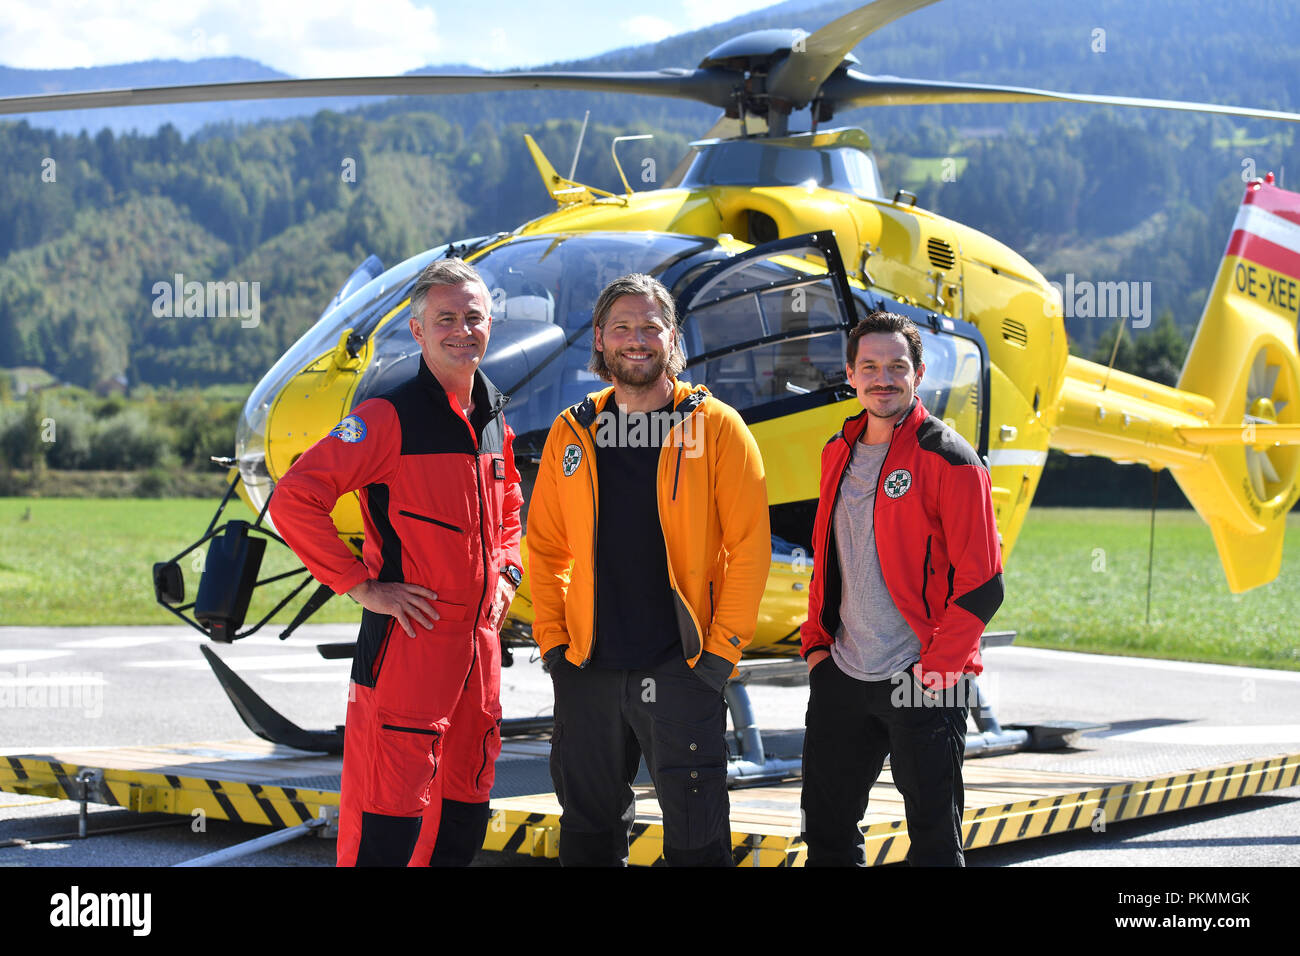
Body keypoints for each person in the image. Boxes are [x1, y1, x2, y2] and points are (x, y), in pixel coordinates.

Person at [269, 258, 523, 867]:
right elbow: (295, 498)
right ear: (418, 331)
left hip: (480, 652)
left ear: (490, 324)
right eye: (446, 319)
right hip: (408, 648)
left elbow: (511, 505)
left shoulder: (493, 415)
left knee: (465, 807)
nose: (462, 330)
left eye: (474, 317)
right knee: (388, 813)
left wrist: (508, 576)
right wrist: (360, 584)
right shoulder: (388, 416)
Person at [526, 273, 770, 866]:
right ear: (601, 339)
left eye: (650, 327)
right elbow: (546, 548)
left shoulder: (715, 428)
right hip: (588, 671)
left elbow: (749, 549)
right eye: (623, 328)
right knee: (587, 837)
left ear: (671, 337)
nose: (637, 340)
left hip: (682, 667)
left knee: (696, 840)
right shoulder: (572, 430)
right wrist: (556, 644)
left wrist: (718, 656)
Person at [800, 310, 1003, 866]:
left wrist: (935, 672)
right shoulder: (835, 452)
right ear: (850, 373)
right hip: (842, 671)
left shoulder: (949, 456)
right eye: (869, 366)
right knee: (827, 836)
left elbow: (983, 584)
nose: (882, 378)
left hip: (923, 678)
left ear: (917, 374)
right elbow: (830, 556)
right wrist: (818, 647)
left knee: (935, 845)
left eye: (896, 366)